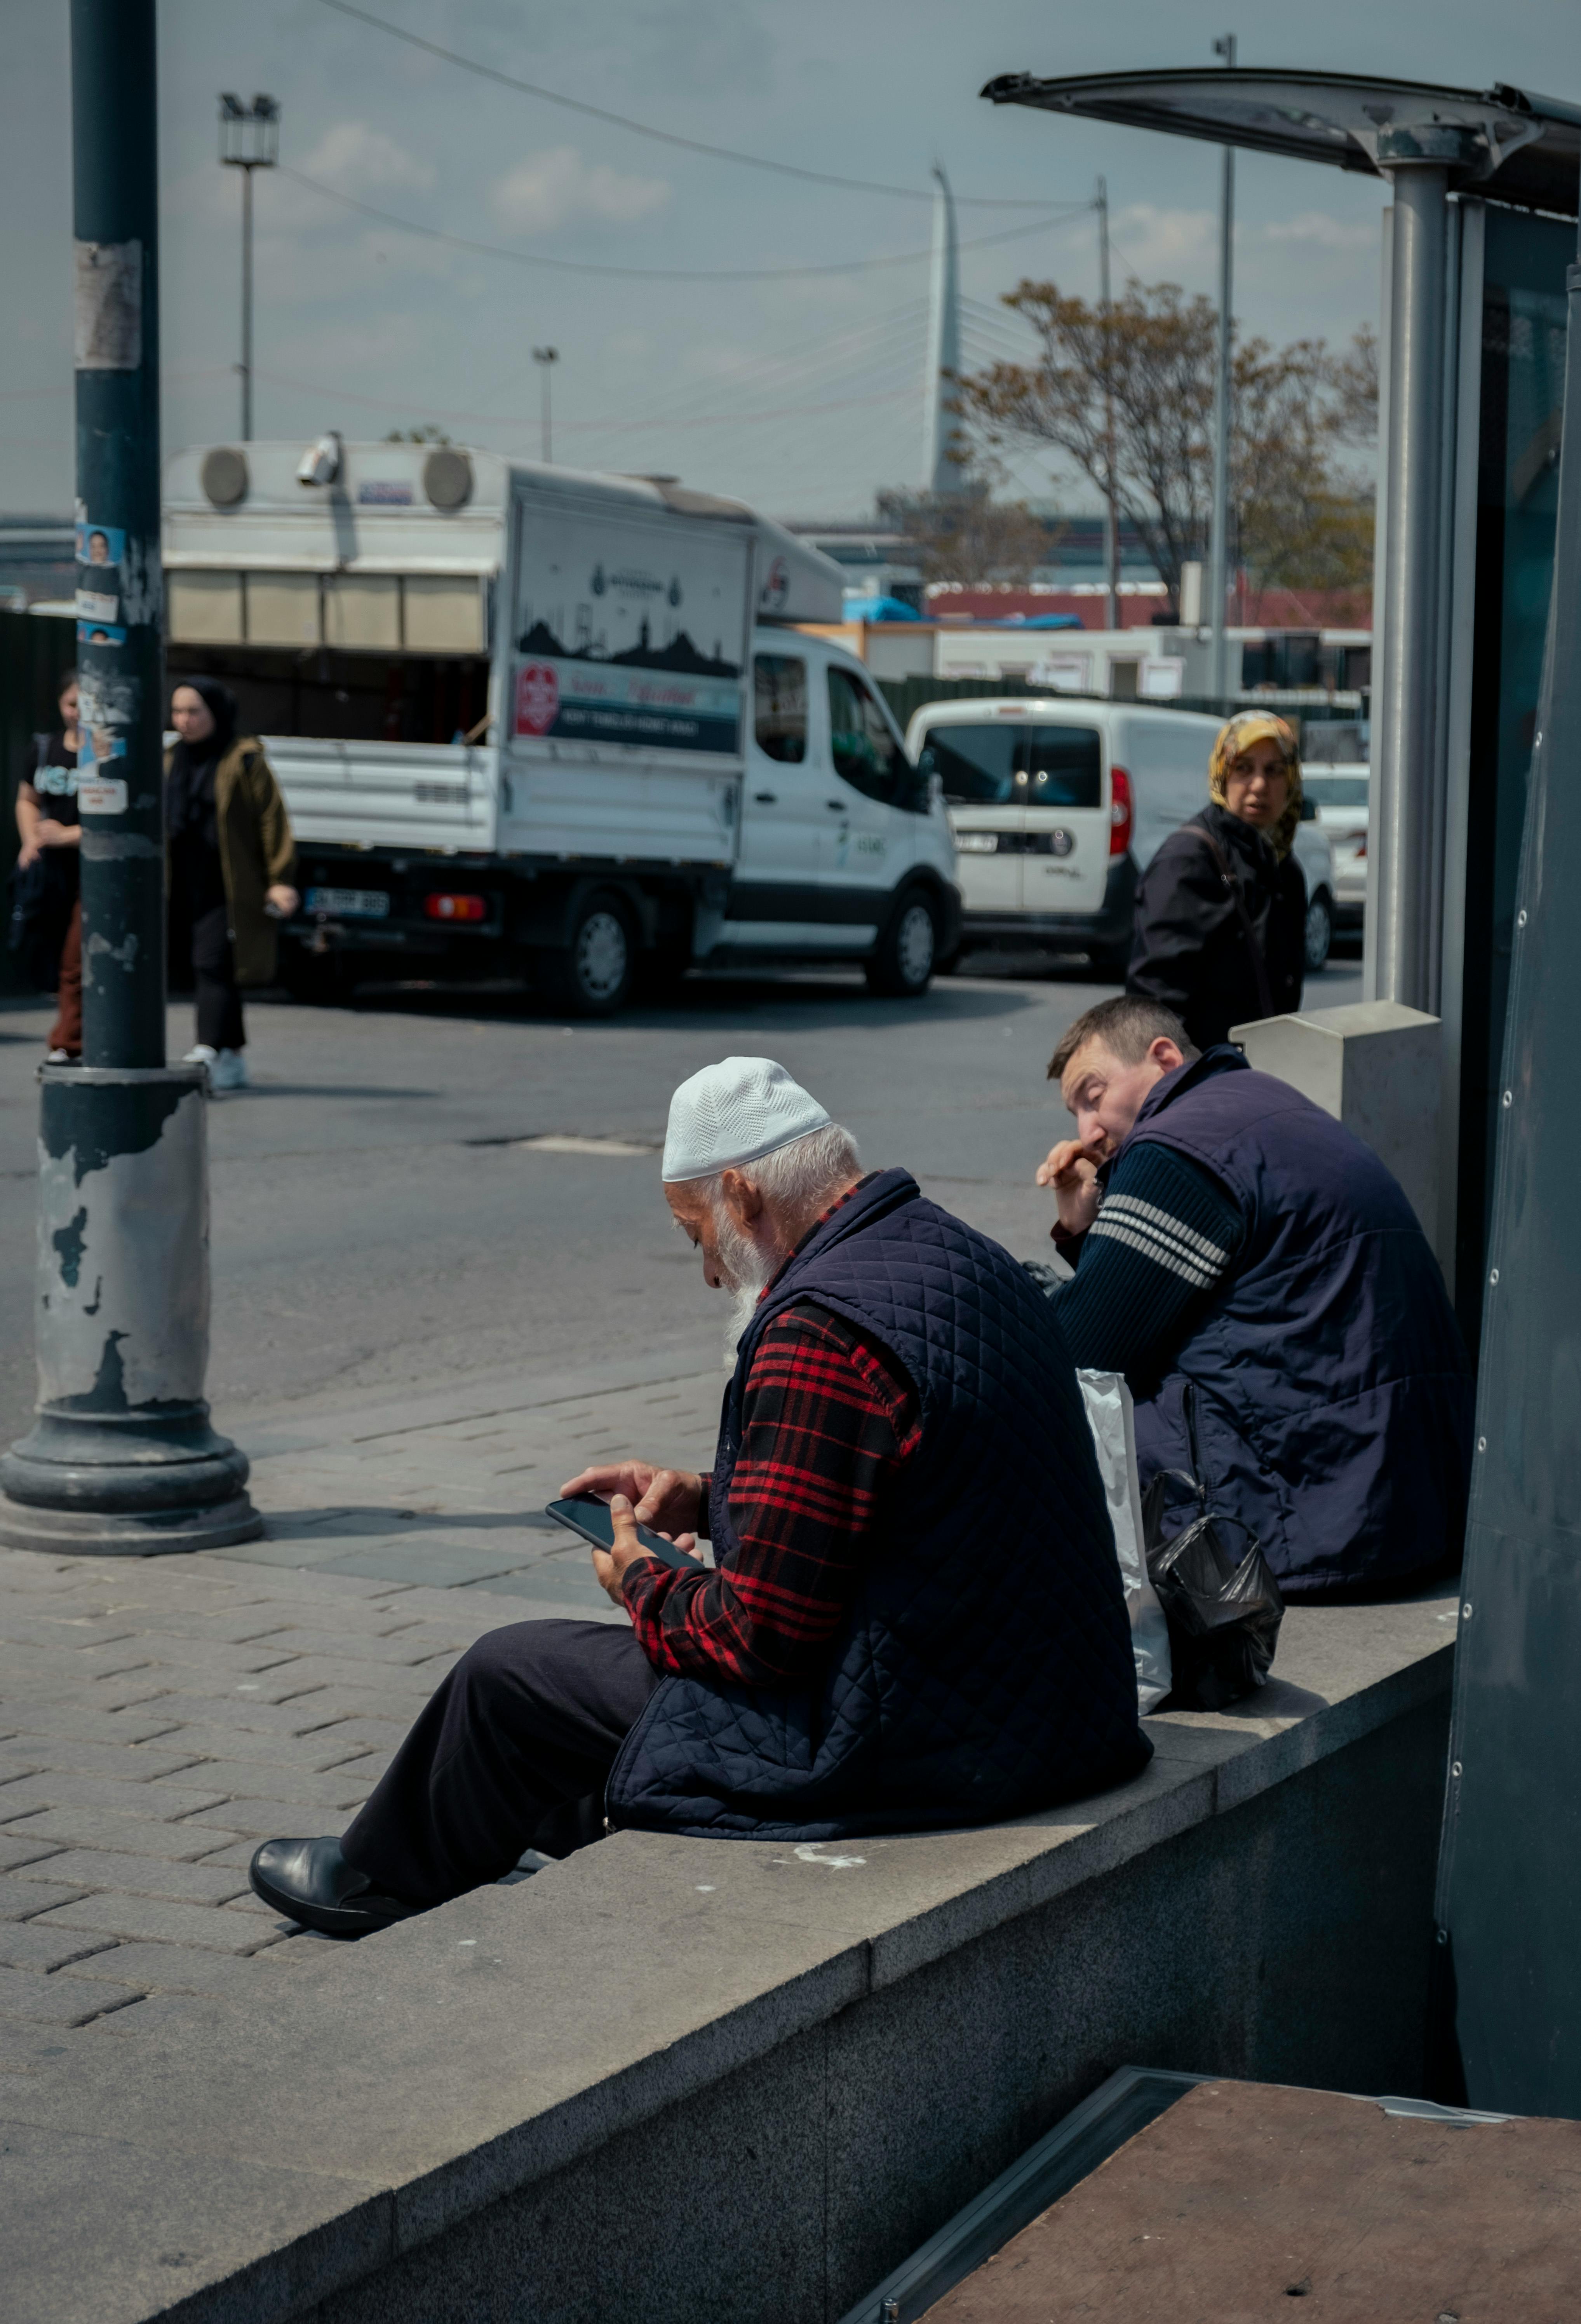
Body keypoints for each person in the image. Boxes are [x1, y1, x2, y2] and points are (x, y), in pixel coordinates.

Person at [249, 1055, 1151, 1938]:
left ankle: (378, 1875)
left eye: (698, 1236)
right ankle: (537, 1827)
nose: (712, 1274)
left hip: (923, 1744)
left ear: (742, 1193)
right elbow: (901, 1482)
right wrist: (708, 1499)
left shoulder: (817, 1329)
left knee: (509, 1674)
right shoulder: (955, 1254)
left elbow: (759, 1640)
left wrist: (641, 1579)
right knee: (598, 1697)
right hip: (1055, 1717)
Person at [1036, 995, 1474, 1599]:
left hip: (1313, 1524)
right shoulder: (1273, 1107)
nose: (1087, 1130)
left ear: (1162, 1058)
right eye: (1074, 1114)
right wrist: (1086, 1223)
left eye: (1093, 1094)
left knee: (1029, 1419)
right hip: (1411, 1505)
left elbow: (1086, 1352)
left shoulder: (1174, 1149)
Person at [1127, 710, 1308, 1054]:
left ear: (1292, 780)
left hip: (1261, 1080)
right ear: (1222, 775)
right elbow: (1155, 1002)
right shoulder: (1189, 861)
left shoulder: (1284, 868)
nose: (1259, 785)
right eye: (1243, 768)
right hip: (1204, 1084)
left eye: (1274, 771)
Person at [165, 677, 298, 1090]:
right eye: (178, 712)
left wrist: (279, 880)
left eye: (194, 712)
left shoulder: (244, 759)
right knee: (208, 966)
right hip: (180, 881)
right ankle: (233, 1055)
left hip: (228, 883)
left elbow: (271, 820)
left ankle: (209, 1048)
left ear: (216, 713)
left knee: (212, 962)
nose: (184, 721)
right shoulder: (170, 759)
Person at [12, 673, 83, 1042]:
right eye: (72, 704)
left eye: (87, 706)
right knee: (53, 956)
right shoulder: (44, 748)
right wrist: (30, 841)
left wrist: (69, 835)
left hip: (90, 871)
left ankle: (68, 1042)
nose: (78, 714)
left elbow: (124, 818)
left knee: (76, 959)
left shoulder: (106, 755)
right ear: (60, 704)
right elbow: (27, 799)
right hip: (50, 873)